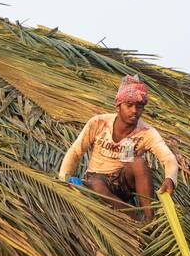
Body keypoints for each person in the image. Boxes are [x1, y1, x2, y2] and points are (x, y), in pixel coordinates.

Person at [57, 75, 180, 222]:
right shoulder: (99, 123)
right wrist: (64, 178)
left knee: (138, 163)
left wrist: (170, 179)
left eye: (139, 106)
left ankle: (149, 219)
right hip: (97, 180)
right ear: (118, 106)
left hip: (123, 182)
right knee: (96, 182)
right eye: (129, 105)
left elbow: (169, 159)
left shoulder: (146, 132)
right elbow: (76, 152)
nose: (134, 111)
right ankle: (134, 220)